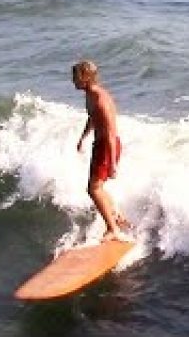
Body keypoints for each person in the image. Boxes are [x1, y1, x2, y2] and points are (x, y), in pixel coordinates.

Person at [72, 60, 129, 242]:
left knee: (93, 189)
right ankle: (117, 218)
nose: (73, 81)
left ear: (86, 77)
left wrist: (112, 163)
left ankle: (112, 229)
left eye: (75, 77)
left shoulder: (100, 98)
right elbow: (92, 118)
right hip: (100, 145)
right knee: (96, 187)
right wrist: (83, 137)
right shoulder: (89, 95)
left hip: (107, 145)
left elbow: (111, 132)